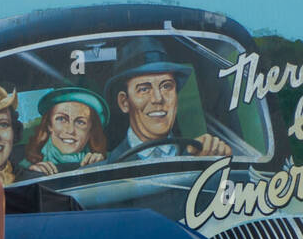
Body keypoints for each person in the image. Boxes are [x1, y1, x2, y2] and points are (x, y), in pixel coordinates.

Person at [103, 50, 232, 161]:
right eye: (144, 89)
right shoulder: (106, 171)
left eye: (166, 86)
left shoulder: (198, 154)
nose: (158, 98)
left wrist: (217, 157)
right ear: (124, 102)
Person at [19, 87, 110, 176]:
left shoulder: (109, 160)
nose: (70, 130)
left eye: (80, 122)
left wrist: (102, 167)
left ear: (91, 130)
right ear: (49, 125)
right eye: (61, 119)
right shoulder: (24, 166)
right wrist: (30, 174)